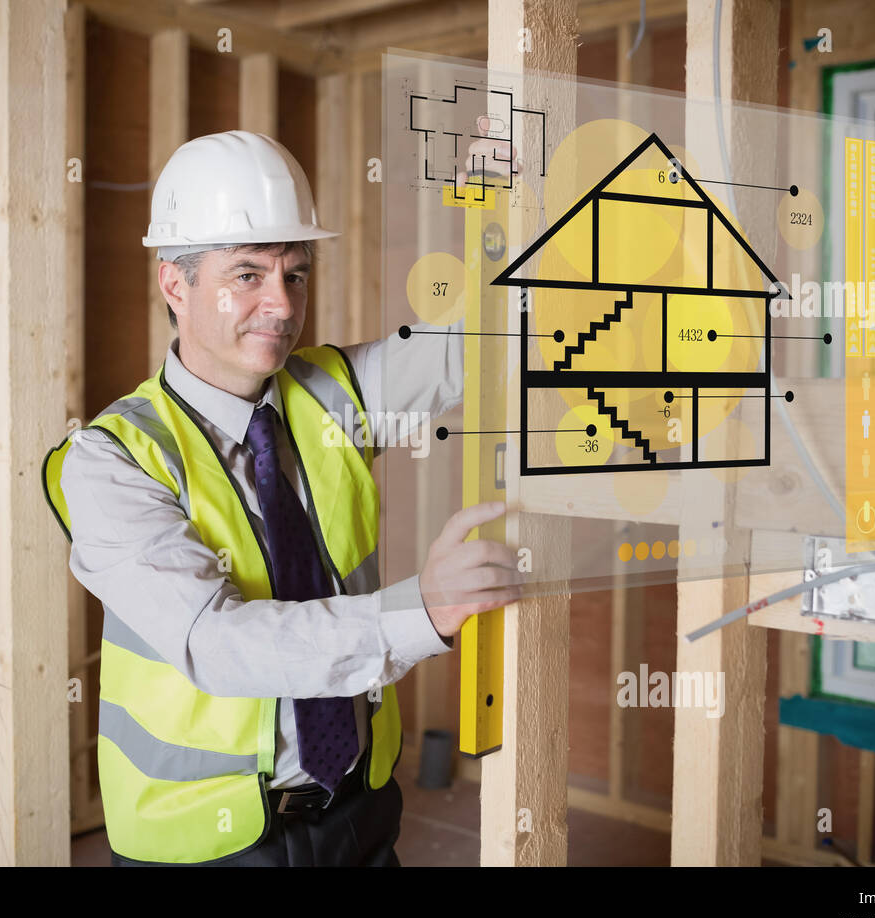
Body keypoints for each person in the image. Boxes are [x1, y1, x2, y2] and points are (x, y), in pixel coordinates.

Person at [42, 129, 522, 866]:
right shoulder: (111, 460)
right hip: (208, 844)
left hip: (359, 816)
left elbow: (482, 342)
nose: (279, 303)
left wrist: (502, 216)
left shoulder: (332, 391)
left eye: (295, 274)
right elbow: (216, 641)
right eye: (247, 274)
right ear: (176, 283)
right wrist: (418, 613)